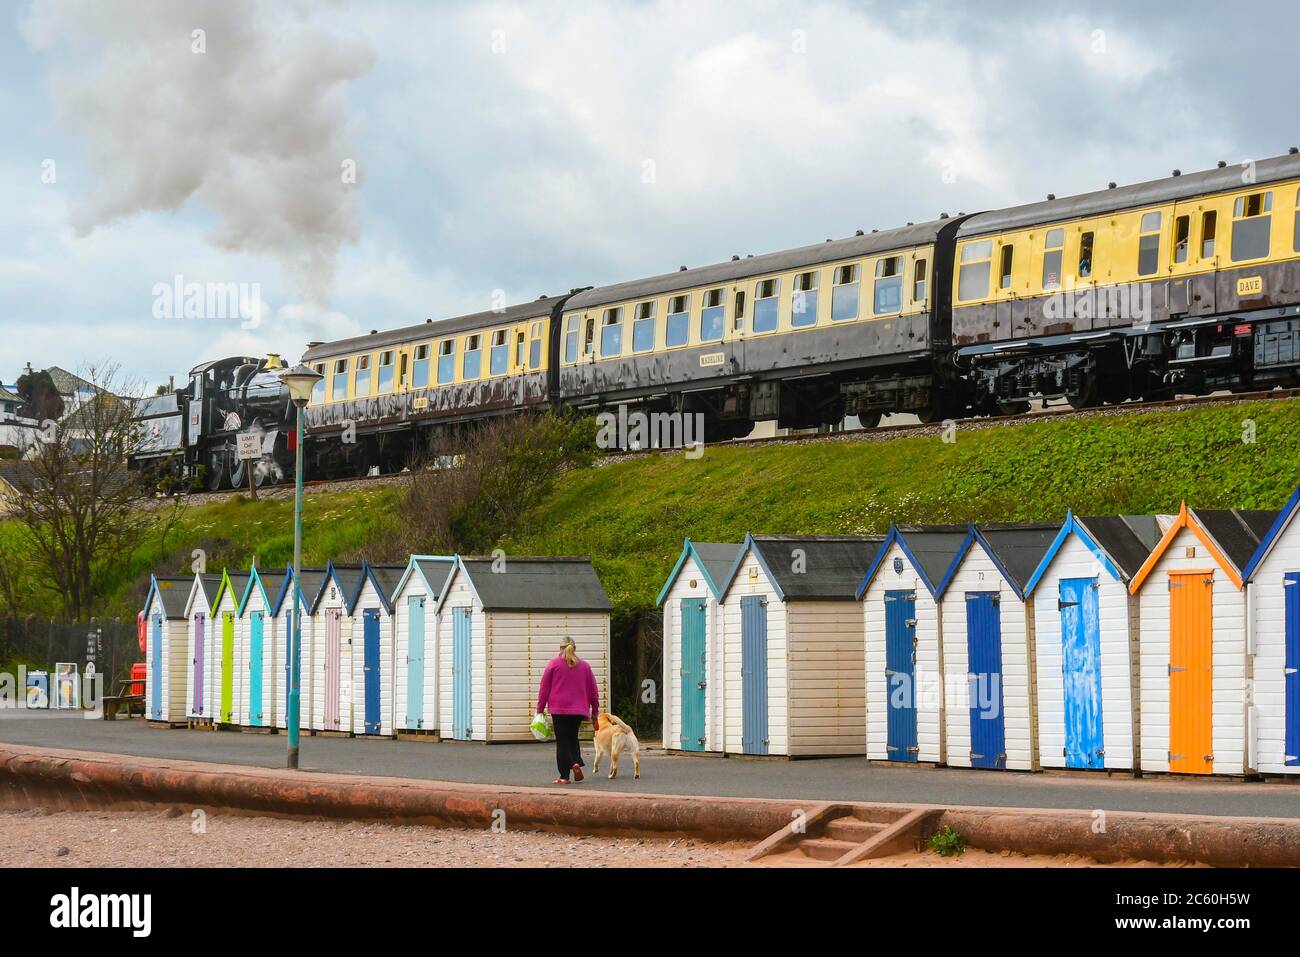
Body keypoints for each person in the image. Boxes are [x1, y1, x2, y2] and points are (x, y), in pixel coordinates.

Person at [536, 636, 599, 784]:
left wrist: (539, 710)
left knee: (562, 741)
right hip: (578, 711)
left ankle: (565, 775)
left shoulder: (553, 664)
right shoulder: (585, 666)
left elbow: (544, 689)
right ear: (574, 649)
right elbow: (594, 692)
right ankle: (576, 760)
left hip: (559, 709)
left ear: (560, 649)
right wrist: (595, 712)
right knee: (572, 738)